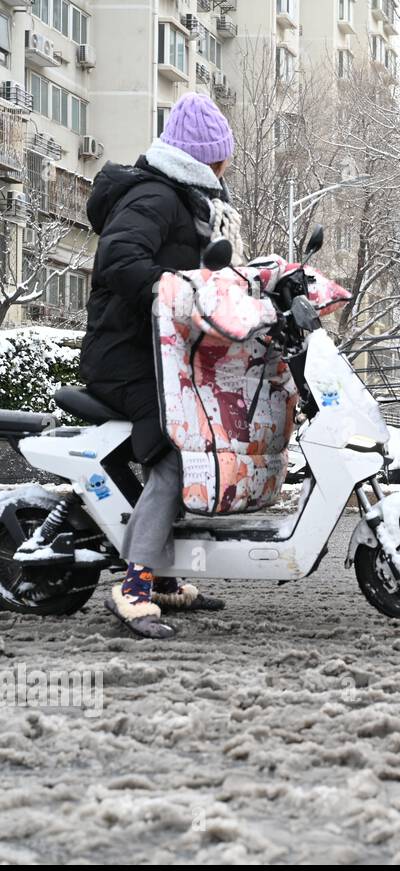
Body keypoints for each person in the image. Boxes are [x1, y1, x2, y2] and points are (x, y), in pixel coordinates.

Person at [80, 93, 243, 638]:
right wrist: (178, 291)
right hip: (124, 359)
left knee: (197, 446)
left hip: (157, 357)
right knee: (179, 450)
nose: (224, 167)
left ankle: (165, 576)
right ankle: (134, 586)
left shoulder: (185, 200)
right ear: (202, 158)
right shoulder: (154, 196)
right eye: (220, 157)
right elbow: (121, 261)